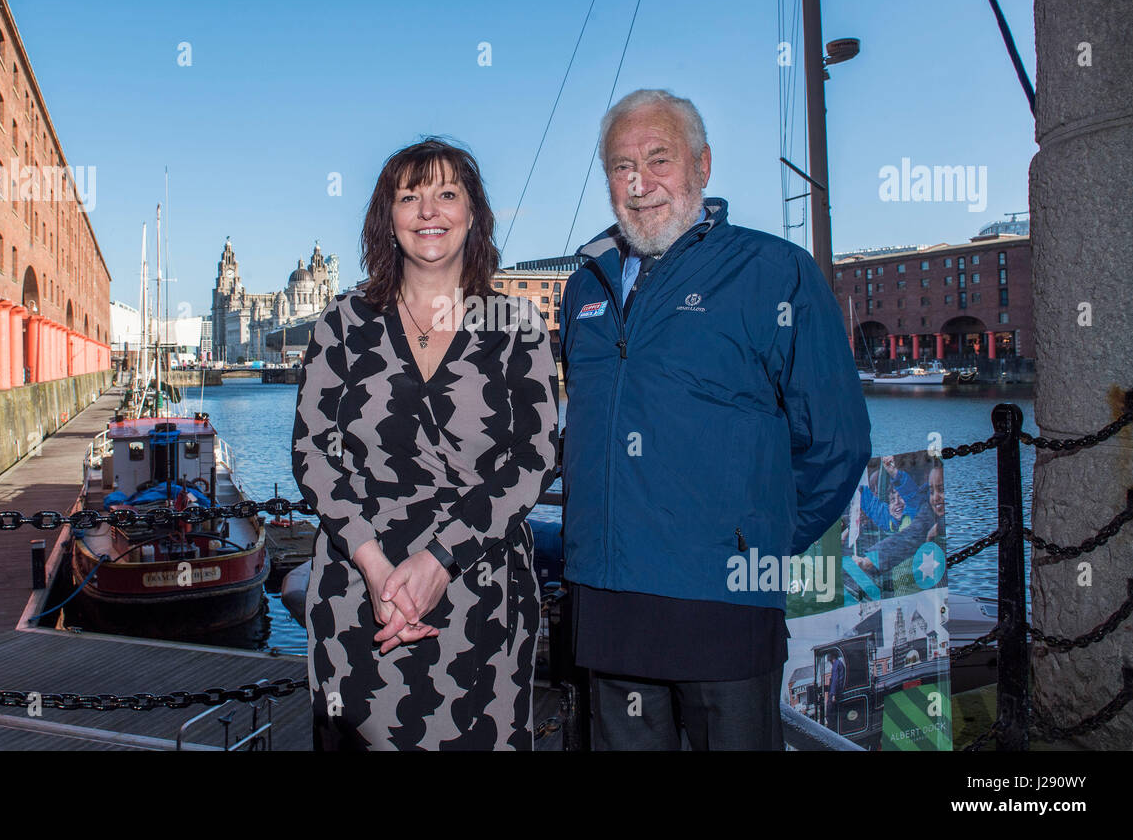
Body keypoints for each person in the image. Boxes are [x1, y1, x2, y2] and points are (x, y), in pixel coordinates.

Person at [560, 88, 872, 750]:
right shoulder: (584, 285)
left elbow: (837, 443)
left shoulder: (775, 272)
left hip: (723, 605)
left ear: (703, 165)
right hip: (609, 601)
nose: (640, 183)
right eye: (621, 165)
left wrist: (756, 541)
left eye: (659, 158)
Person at [292, 137, 559, 750]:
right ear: (387, 217)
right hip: (361, 594)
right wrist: (377, 566)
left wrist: (440, 559)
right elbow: (313, 450)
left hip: (479, 599)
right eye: (409, 197)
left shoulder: (517, 326)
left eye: (446, 193)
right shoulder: (343, 321)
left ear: (474, 212)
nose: (429, 211)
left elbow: (534, 457)